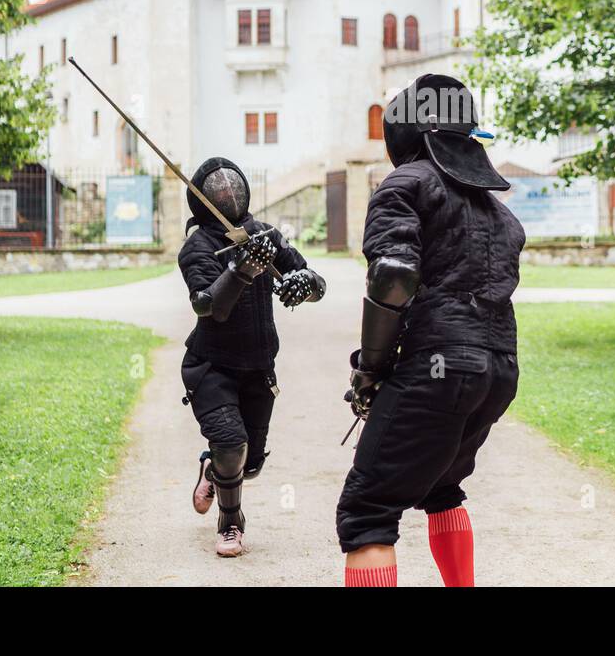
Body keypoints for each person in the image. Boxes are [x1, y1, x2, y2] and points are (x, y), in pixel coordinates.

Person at [335, 75, 525, 587]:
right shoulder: (499, 212)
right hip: (498, 371)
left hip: (440, 369)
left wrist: (371, 369)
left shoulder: (404, 186)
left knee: (367, 510)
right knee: (441, 486)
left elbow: (393, 276)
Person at [178, 156, 325, 557]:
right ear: (201, 200)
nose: (226, 191)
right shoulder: (198, 247)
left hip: (259, 367)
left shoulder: (266, 235)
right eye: (217, 188)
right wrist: (242, 270)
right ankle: (231, 523)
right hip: (211, 366)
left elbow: (316, 280)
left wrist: (304, 284)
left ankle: (214, 468)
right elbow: (210, 306)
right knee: (230, 442)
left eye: (231, 184)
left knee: (249, 464)